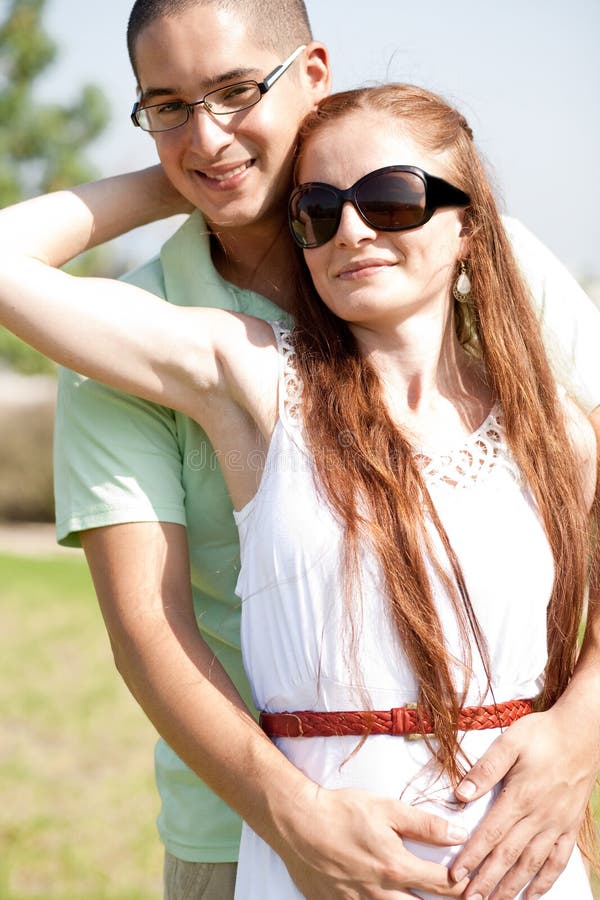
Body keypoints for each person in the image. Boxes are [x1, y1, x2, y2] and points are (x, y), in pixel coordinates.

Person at [45, 2, 600, 899]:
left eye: (234, 91)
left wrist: (582, 732)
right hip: (236, 830)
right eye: (169, 105)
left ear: (312, 77)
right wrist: (182, 174)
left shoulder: (448, 237)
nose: (210, 131)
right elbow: (148, 627)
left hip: (502, 827)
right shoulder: (146, 337)